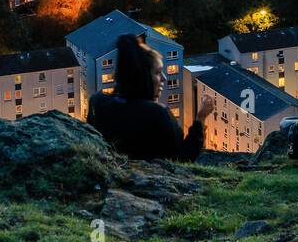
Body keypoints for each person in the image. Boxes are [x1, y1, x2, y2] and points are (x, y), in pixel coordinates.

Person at [87, 33, 215, 161]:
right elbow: (183, 157)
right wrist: (200, 118)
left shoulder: (97, 104)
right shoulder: (158, 114)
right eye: (158, 72)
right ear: (143, 76)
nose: (164, 78)